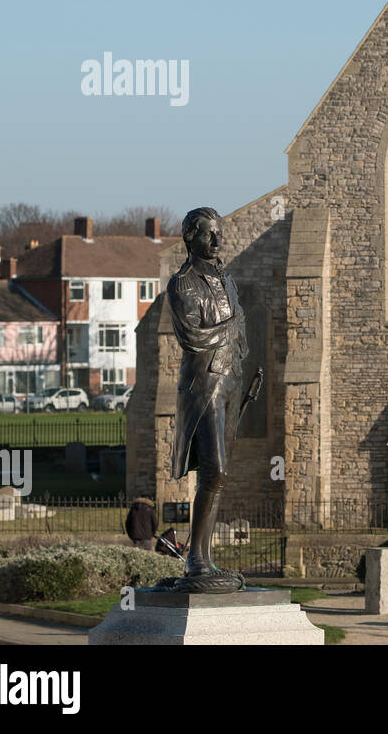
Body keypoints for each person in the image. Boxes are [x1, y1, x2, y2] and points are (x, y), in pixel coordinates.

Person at [166, 206, 252, 590]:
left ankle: (204, 558)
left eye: (218, 233)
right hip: (203, 385)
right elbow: (191, 336)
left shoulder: (228, 279)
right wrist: (231, 329)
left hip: (231, 379)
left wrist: (241, 353)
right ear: (190, 238)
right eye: (207, 234)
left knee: (220, 474)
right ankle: (195, 559)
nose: (216, 241)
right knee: (213, 470)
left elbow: (243, 325)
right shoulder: (182, 283)